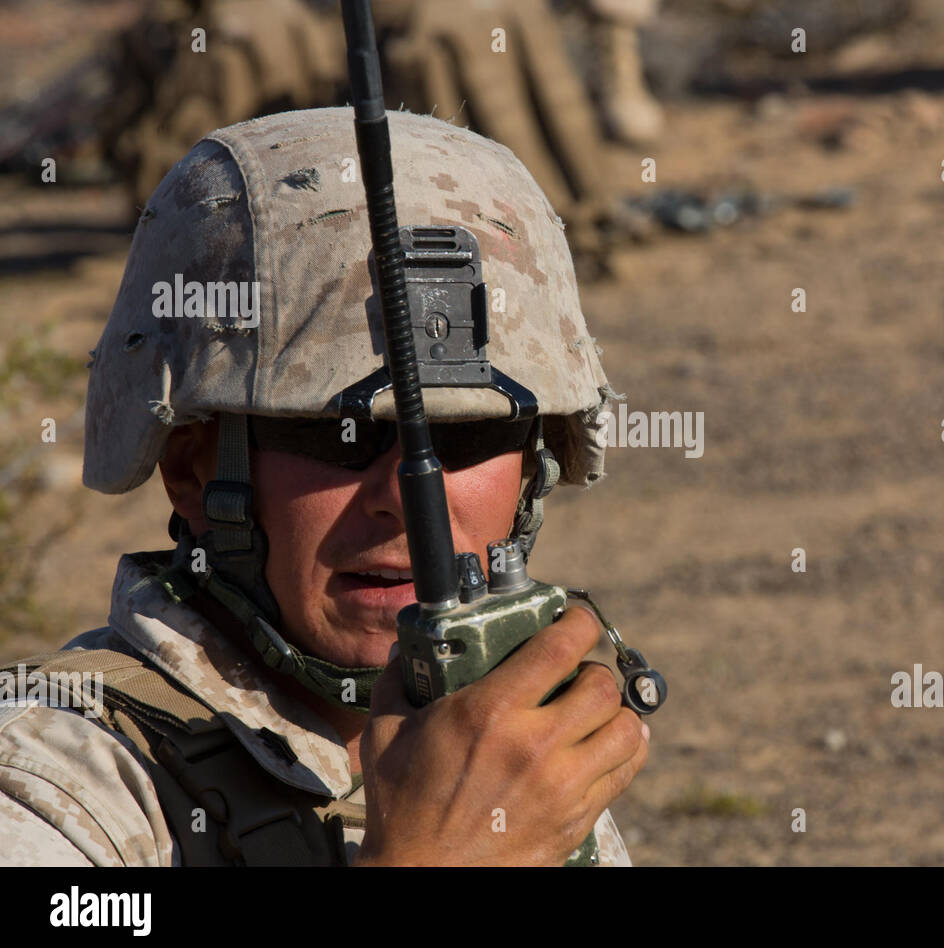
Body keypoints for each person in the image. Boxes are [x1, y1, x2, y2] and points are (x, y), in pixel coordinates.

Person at [0, 107, 649, 866]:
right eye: (340, 438)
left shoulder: (511, 744)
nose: (410, 498)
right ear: (193, 469)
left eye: (467, 436)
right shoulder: (57, 789)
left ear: (532, 471)